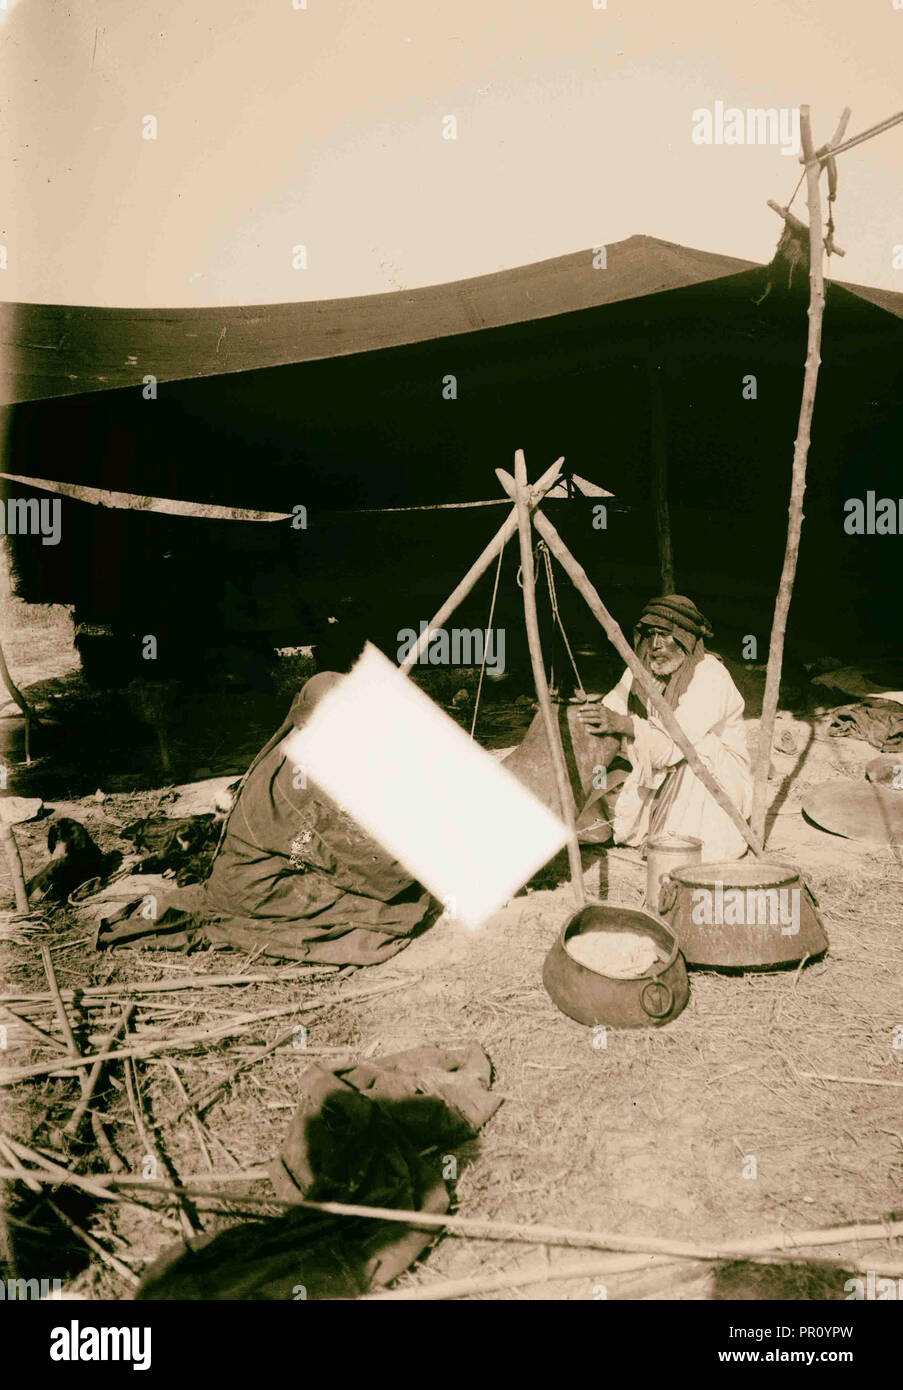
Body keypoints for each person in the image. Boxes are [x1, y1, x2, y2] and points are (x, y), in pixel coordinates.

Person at [577, 594, 752, 860]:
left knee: (699, 754)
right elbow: (612, 707)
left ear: (684, 639)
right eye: (650, 635)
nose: (655, 645)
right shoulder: (642, 668)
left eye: (663, 635)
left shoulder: (709, 675)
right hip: (655, 768)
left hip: (709, 776)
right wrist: (593, 714)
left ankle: (674, 837)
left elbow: (674, 746)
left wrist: (625, 724)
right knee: (596, 800)